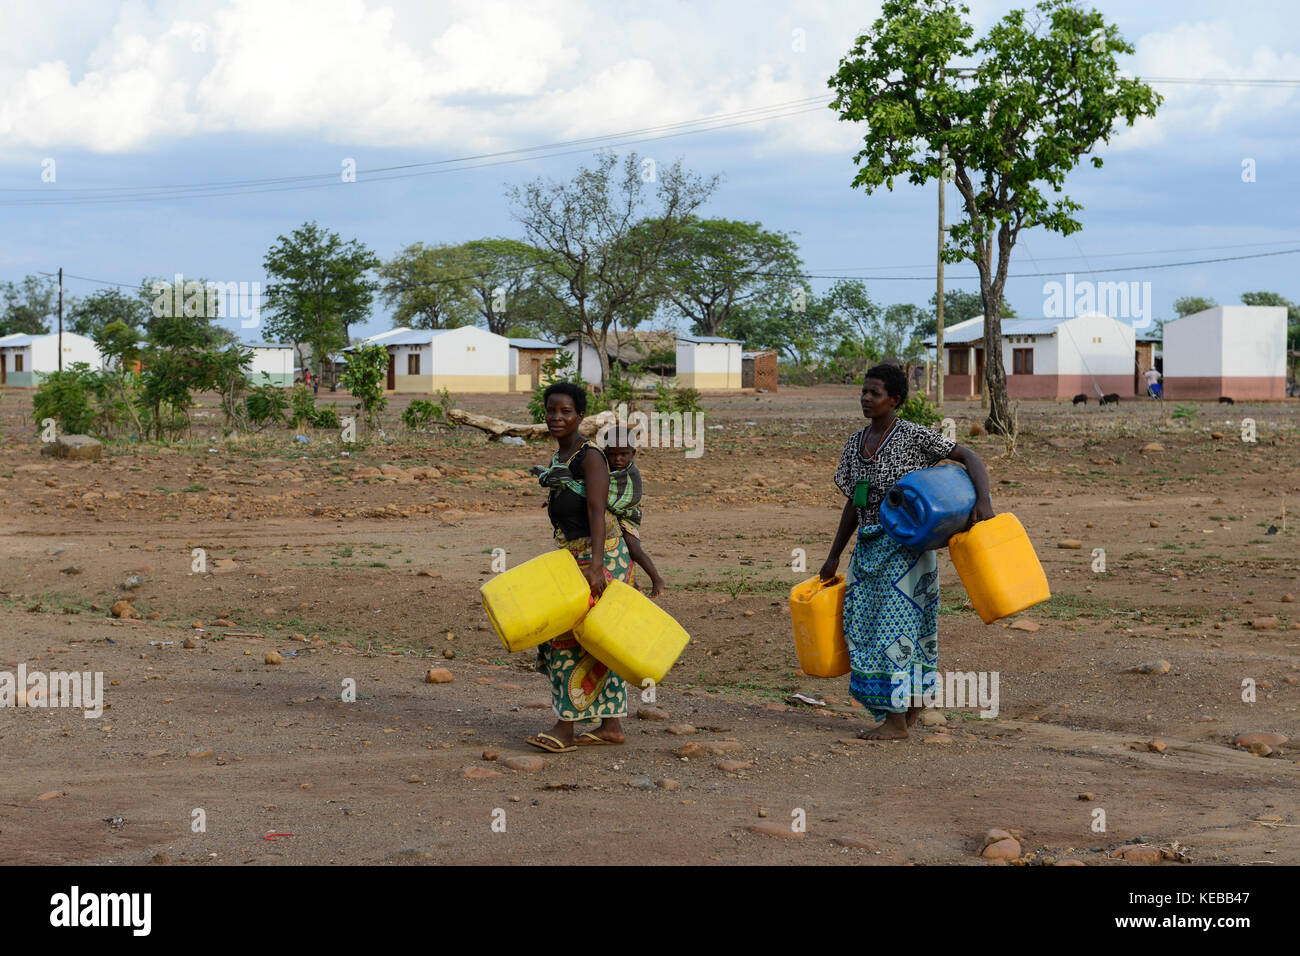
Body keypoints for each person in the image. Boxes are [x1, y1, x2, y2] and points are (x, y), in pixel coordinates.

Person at [820, 364, 995, 740]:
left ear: (895, 400)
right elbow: (855, 501)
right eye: (864, 392)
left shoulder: (913, 436)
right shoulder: (856, 443)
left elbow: (969, 456)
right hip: (868, 550)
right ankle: (908, 707)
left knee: (897, 630)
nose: (866, 399)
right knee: (861, 627)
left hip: (907, 551)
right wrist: (835, 553)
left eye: (875, 393)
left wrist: (984, 502)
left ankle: (896, 721)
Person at [526, 383, 633, 753]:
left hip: (599, 558)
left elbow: (596, 512)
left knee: (569, 640)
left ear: (579, 416)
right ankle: (611, 726)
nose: (557, 418)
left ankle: (566, 727)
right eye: (551, 411)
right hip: (574, 556)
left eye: (565, 412)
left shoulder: (590, 457)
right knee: (601, 640)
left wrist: (598, 568)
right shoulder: (562, 455)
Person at [602, 428, 666, 598]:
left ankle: (657, 579)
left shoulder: (632, 474)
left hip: (628, 516)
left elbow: (631, 498)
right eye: (612, 455)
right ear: (604, 452)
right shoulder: (601, 467)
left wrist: (603, 503)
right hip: (612, 515)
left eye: (623, 454)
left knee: (632, 547)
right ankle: (630, 580)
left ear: (633, 453)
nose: (618, 459)